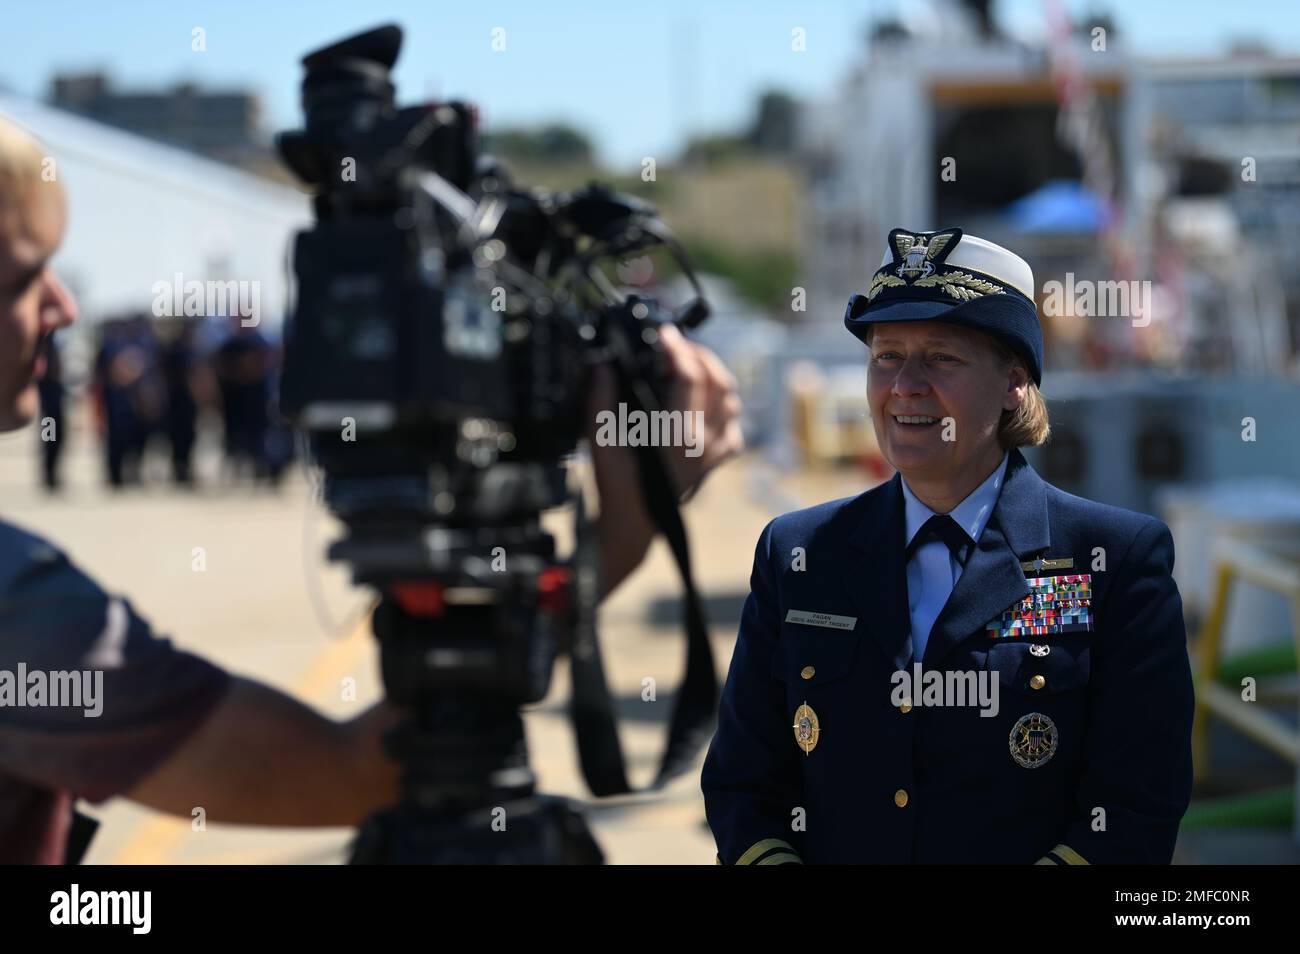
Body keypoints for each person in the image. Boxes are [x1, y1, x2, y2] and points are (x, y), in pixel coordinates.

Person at [0, 114, 743, 863]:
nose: (64, 309)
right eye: (26, 277)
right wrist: (620, 537)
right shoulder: (17, 614)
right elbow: (353, 772)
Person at [702, 227, 1194, 865]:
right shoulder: (799, 554)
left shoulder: (1116, 561)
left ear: (1014, 380)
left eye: (942, 357)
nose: (905, 384)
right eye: (887, 356)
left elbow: (1136, 804)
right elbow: (744, 782)